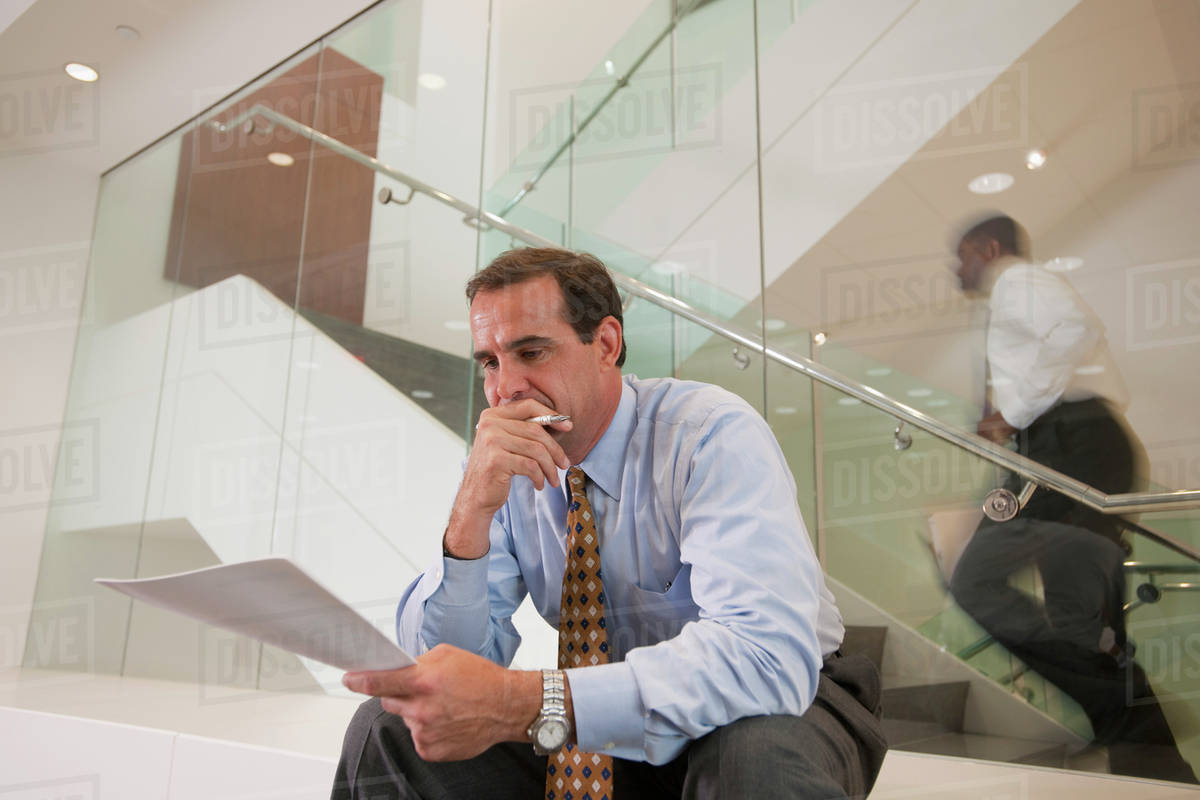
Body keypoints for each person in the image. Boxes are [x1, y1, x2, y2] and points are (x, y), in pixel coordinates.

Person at [331, 248, 887, 799]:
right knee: (388, 733)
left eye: (531, 351)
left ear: (606, 344)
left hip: (783, 700)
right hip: (612, 712)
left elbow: (765, 658)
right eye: (491, 363)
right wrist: (469, 516)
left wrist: (527, 701)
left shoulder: (709, 436)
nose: (507, 389)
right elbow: (447, 670)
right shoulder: (505, 469)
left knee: (751, 762)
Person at [948, 215, 1196, 783]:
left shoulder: (1016, 280)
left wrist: (1009, 414)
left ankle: (1125, 719)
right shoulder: (1010, 297)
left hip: (1071, 443)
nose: (956, 268)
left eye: (963, 254)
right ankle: (1152, 762)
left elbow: (1071, 329)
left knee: (973, 576)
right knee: (1082, 615)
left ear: (989, 248)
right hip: (1069, 447)